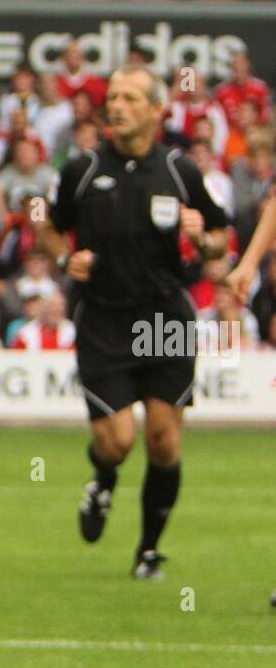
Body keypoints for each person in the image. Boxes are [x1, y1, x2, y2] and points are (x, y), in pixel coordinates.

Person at [41, 66, 229, 579]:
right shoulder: (80, 169)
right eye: (113, 97)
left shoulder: (180, 171)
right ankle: (103, 479)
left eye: (129, 97)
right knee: (117, 441)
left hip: (165, 315)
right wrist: (64, 260)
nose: (117, 106)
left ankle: (148, 551)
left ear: (155, 110)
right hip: (103, 318)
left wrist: (203, 237)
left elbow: (220, 237)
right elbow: (50, 228)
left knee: (164, 440)